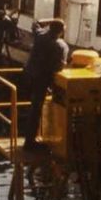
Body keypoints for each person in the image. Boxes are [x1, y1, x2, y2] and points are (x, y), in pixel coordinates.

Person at [22, 18, 69, 150]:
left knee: (33, 108)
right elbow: (60, 66)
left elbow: (35, 23)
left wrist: (52, 20)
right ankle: (29, 143)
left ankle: (30, 137)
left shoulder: (40, 34)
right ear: (61, 31)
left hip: (29, 74)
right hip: (42, 79)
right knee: (36, 109)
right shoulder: (60, 46)